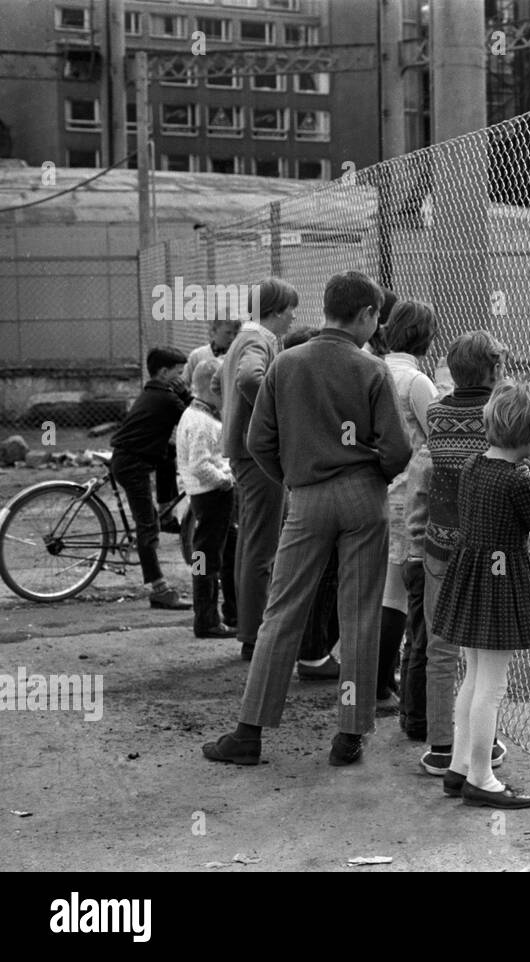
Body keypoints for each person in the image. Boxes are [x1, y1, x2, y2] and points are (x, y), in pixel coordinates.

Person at [202, 270, 411, 768]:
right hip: (363, 499)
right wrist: (373, 474)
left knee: (282, 611)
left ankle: (249, 733)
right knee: (358, 615)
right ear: (365, 315)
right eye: (374, 317)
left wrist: (293, 478)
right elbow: (398, 448)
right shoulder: (373, 369)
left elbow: (257, 441)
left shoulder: (286, 362)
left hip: (305, 497)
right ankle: (349, 735)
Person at [430, 380, 530, 808]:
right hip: (500, 584)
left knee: (473, 678)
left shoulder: (473, 466)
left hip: (471, 577)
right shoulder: (518, 481)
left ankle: (460, 768)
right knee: (493, 686)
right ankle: (482, 778)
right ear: (525, 436)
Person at [417, 331, 510, 773]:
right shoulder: (498, 414)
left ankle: (440, 744)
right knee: (482, 650)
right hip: (486, 546)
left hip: (439, 540)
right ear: (493, 370)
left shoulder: (435, 413)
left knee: (442, 645)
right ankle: (480, 744)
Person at [217, 277, 298, 661]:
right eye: (289, 310)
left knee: (253, 540)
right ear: (275, 311)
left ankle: (249, 628)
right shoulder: (259, 339)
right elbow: (250, 378)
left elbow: (221, 382)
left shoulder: (241, 339)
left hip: (244, 453)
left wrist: (238, 416)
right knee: (262, 546)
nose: (294, 317)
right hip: (258, 456)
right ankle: (254, 634)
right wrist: (275, 415)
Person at [377, 301, 440, 717]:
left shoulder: (373, 369)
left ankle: (376, 677)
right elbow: (438, 435)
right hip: (408, 492)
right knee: (400, 591)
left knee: (384, 586)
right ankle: (386, 681)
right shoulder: (416, 381)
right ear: (426, 338)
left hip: (376, 488)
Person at [109, 346, 192, 610]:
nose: (181, 378)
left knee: (169, 454)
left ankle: (165, 512)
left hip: (128, 457)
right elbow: (193, 419)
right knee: (147, 528)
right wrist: (186, 394)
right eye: (178, 374)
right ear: (164, 372)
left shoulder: (152, 391)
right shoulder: (167, 398)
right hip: (133, 465)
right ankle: (159, 590)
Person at [280, 325, 341, 681]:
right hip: (320, 495)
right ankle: (313, 654)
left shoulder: (287, 391)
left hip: (301, 490)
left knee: (311, 574)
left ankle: (313, 648)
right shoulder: (312, 396)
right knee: (323, 574)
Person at [176, 356, 237, 638]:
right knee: (207, 557)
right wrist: (225, 480)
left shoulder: (195, 413)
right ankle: (207, 619)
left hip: (205, 495)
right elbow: (200, 464)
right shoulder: (202, 421)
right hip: (211, 495)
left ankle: (226, 613)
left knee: (219, 552)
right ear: (215, 388)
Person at [181, 317, 241, 388]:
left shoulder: (239, 357)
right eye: (228, 333)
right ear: (214, 331)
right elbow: (185, 383)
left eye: (235, 334)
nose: (232, 337)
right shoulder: (198, 355)